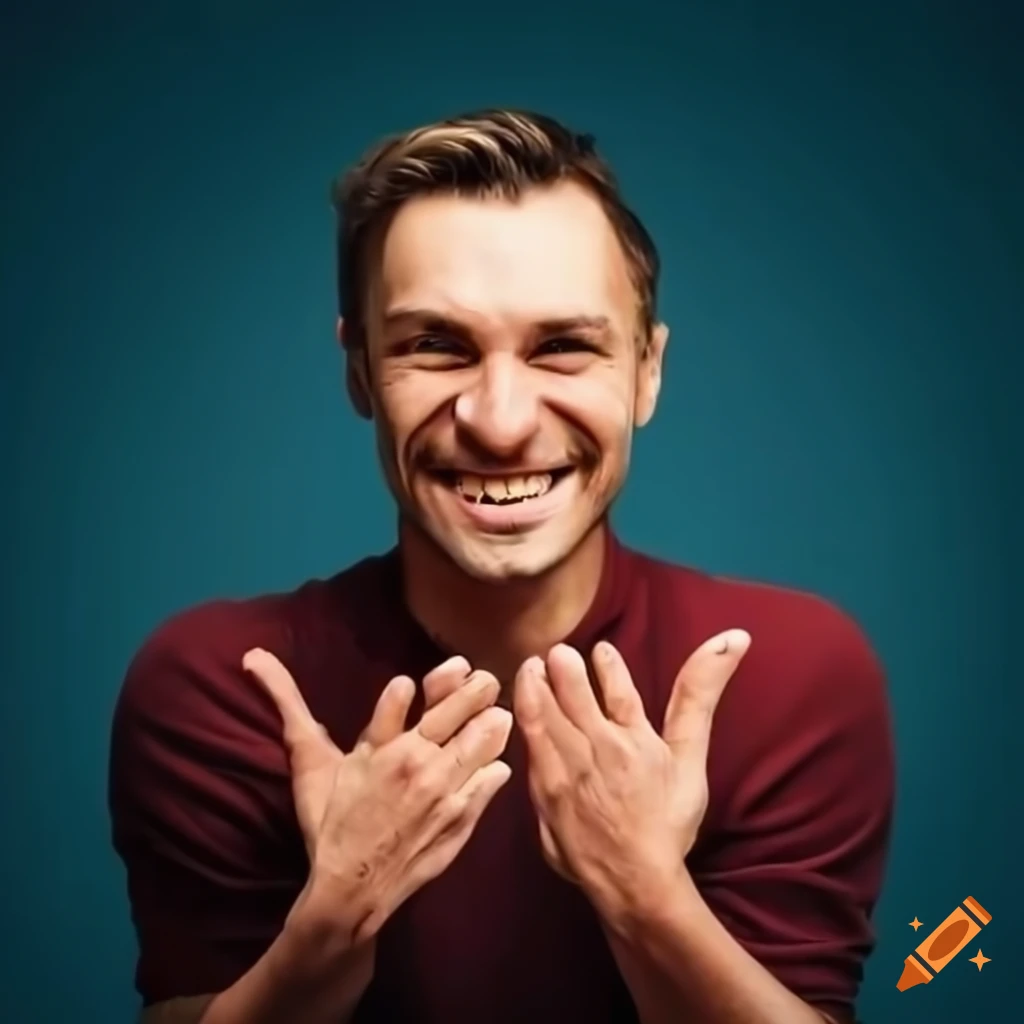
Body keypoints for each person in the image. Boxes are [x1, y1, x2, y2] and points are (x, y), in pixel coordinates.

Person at [109, 109, 894, 1024]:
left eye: (564, 346)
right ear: (359, 373)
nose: (499, 419)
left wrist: (648, 899)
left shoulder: (791, 677)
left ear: (647, 372)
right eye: (434, 345)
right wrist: (333, 920)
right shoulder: (227, 686)